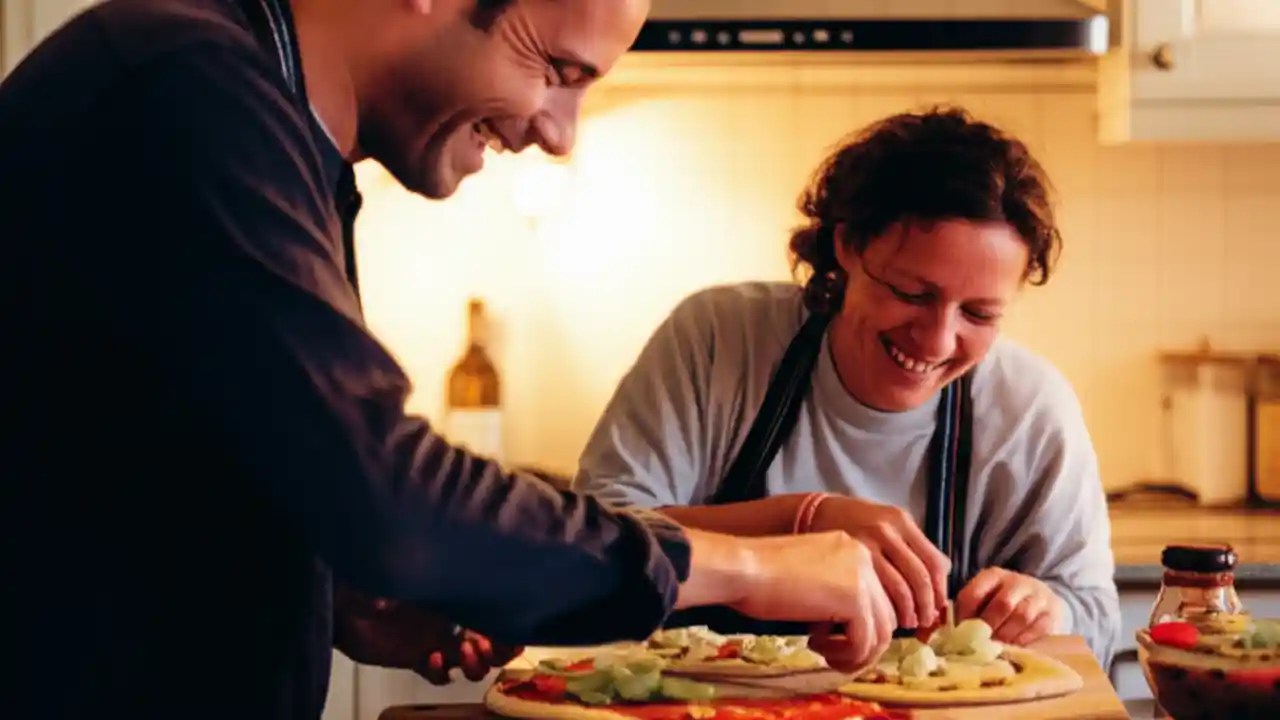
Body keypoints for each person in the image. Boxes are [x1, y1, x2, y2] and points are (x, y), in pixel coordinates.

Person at [0, 1, 898, 718]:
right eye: (556, 69)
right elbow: (387, 491)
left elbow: (184, 462)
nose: (560, 131)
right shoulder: (189, 85)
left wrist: (335, 589)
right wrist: (748, 566)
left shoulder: (266, 122)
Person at [575, 107, 1122, 666]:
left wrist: (1049, 609)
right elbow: (584, 547)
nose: (936, 341)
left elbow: (1098, 623)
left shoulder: (1028, 409)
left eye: (979, 314)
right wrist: (804, 520)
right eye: (911, 293)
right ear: (848, 246)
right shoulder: (719, 340)